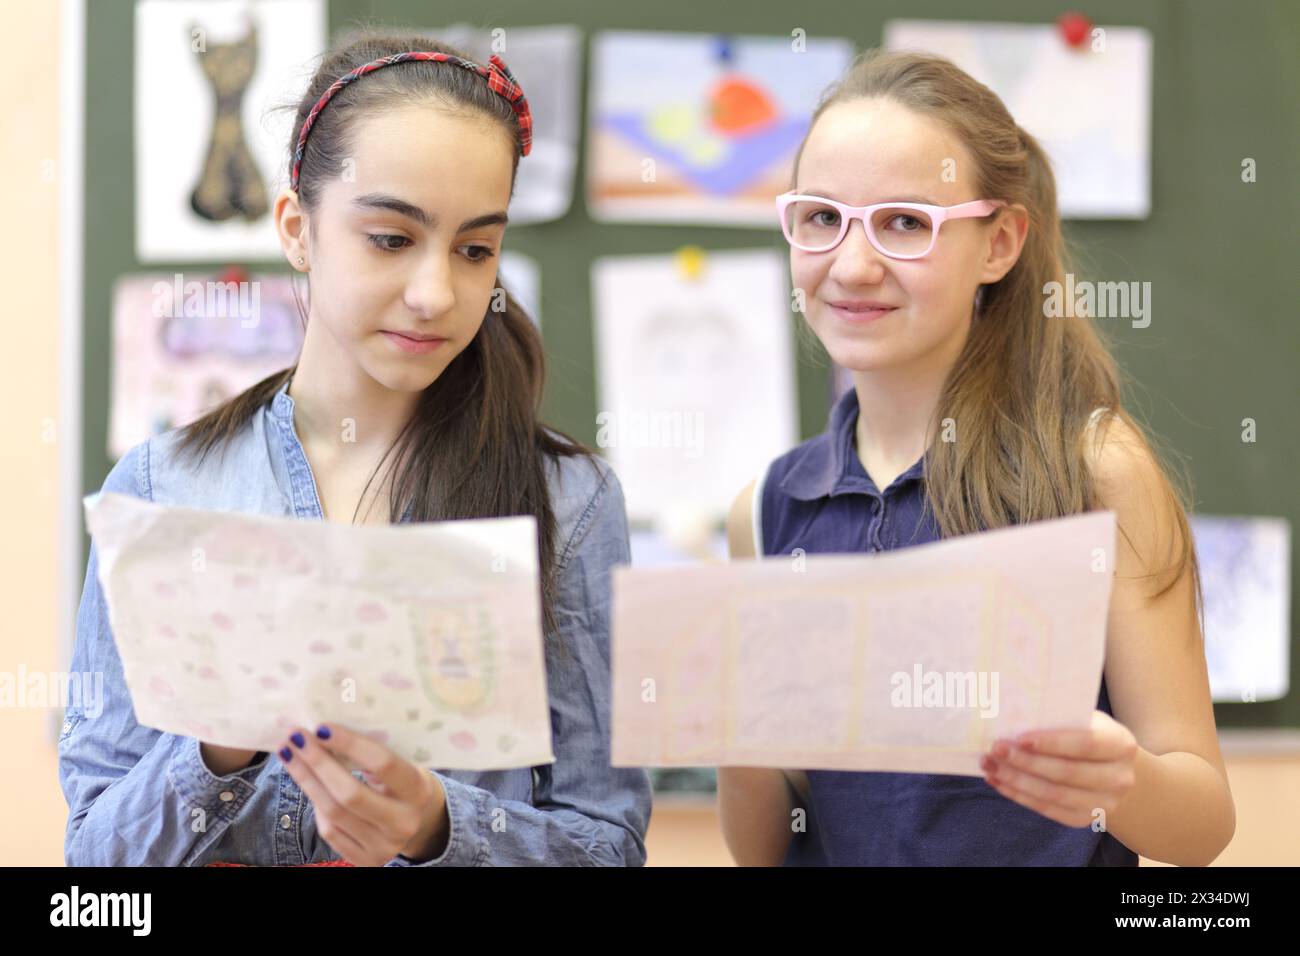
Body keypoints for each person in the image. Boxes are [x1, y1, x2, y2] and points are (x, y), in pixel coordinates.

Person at [59, 33, 650, 867]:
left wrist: (442, 828)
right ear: (298, 230)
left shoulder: (569, 501)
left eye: (476, 249)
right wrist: (215, 750)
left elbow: (608, 846)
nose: (436, 292)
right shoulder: (162, 491)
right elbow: (92, 868)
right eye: (390, 238)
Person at [718, 49, 1234, 866]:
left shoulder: (1092, 471)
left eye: (906, 223)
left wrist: (1115, 775)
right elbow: (770, 849)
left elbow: (1204, 825)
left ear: (998, 245)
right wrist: (736, 734)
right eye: (822, 218)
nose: (852, 265)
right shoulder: (767, 511)